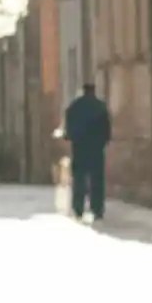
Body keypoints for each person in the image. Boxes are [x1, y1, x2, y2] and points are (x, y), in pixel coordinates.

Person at [62, 83, 111, 219]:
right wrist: (104, 141)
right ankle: (97, 209)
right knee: (97, 180)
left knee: (79, 178)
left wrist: (70, 137)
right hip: (96, 148)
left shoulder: (74, 106)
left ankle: (78, 208)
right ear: (93, 91)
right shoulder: (100, 107)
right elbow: (106, 129)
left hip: (79, 148)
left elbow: (68, 128)